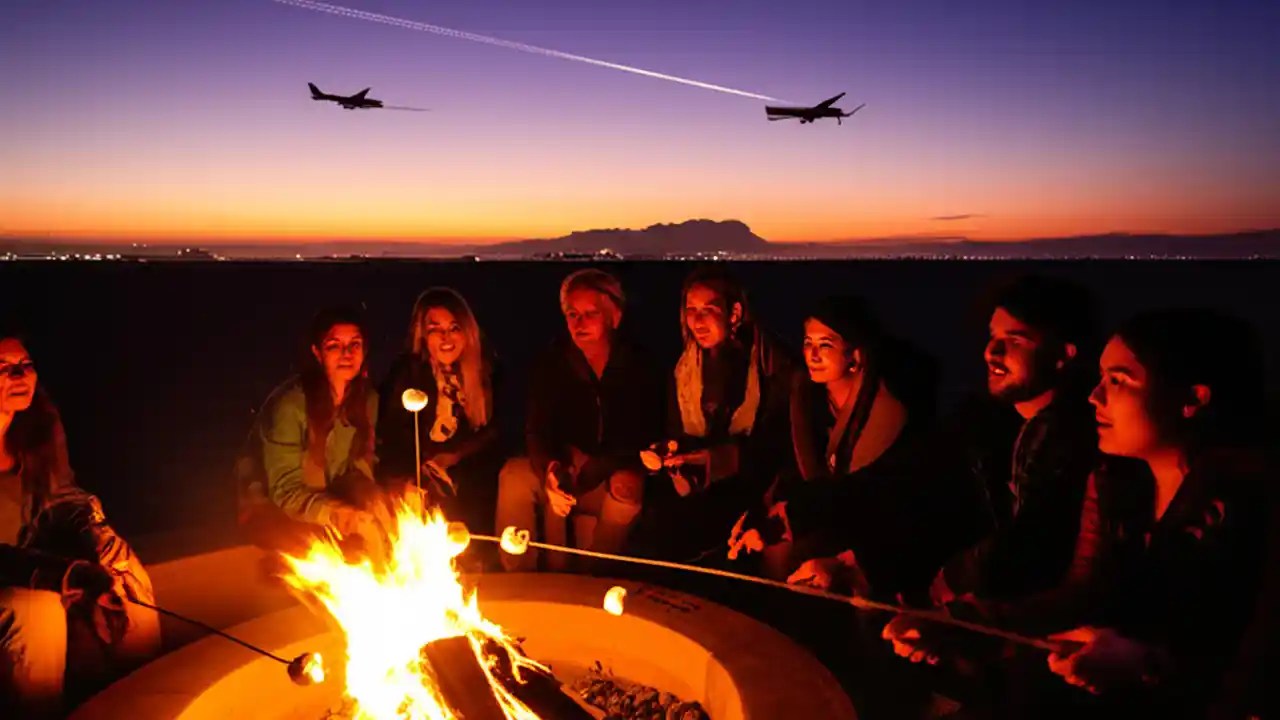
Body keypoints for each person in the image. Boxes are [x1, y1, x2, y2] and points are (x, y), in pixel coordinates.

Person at [879, 275, 1099, 713]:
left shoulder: (1080, 442)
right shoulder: (994, 427)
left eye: (1013, 340)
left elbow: (1039, 541)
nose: (991, 353)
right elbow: (909, 484)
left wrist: (955, 589)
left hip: (1051, 657)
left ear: (1064, 355)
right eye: (991, 338)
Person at [1037, 309, 1271, 717]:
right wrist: (968, 624)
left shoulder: (1257, 501)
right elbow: (1082, 593)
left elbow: (1257, 662)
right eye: (1100, 377)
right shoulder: (1116, 484)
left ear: (1192, 399)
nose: (1095, 396)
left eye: (1119, 380)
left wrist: (1148, 662)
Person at [1, 332, 159, 717]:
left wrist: (96, 534)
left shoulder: (38, 430)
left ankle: (149, 700)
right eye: (3, 369)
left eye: (26, 365)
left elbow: (65, 498)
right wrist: (63, 575)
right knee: (36, 611)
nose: (20, 374)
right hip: (17, 581)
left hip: (39, 568)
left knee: (120, 566)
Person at [728, 295, 930, 588]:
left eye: (826, 345)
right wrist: (763, 513)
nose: (813, 355)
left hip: (870, 524)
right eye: (808, 343)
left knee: (795, 555)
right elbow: (786, 464)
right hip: (818, 508)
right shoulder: (806, 399)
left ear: (855, 356)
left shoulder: (884, 409)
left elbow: (869, 493)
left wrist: (786, 520)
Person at [495, 269, 662, 572]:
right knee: (513, 476)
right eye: (572, 314)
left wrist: (593, 467)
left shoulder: (639, 366)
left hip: (605, 476)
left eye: (590, 314)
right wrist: (550, 468)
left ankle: (593, 578)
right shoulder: (552, 362)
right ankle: (517, 575)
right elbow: (537, 428)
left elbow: (641, 436)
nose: (579, 323)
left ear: (614, 317)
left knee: (628, 486)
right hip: (566, 467)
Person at [630, 266, 797, 563]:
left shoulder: (772, 367)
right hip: (699, 483)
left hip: (755, 482)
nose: (697, 320)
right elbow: (676, 431)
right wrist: (667, 452)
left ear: (734, 314)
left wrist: (714, 459)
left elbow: (776, 447)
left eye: (708, 309)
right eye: (690, 309)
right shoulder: (684, 370)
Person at [237, 306, 385, 556]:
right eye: (334, 345)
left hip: (328, 505)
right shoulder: (290, 406)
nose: (346, 354)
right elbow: (285, 491)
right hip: (272, 511)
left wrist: (377, 500)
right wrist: (338, 513)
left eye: (355, 344)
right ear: (317, 353)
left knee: (382, 529)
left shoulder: (367, 399)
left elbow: (357, 467)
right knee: (336, 554)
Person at [378, 288, 502, 540]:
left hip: (468, 469)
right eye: (435, 329)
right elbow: (393, 433)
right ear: (423, 334)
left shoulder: (487, 373)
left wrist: (455, 456)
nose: (446, 338)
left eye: (454, 328)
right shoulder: (408, 373)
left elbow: (497, 430)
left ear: (467, 332)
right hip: (418, 466)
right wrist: (423, 467)